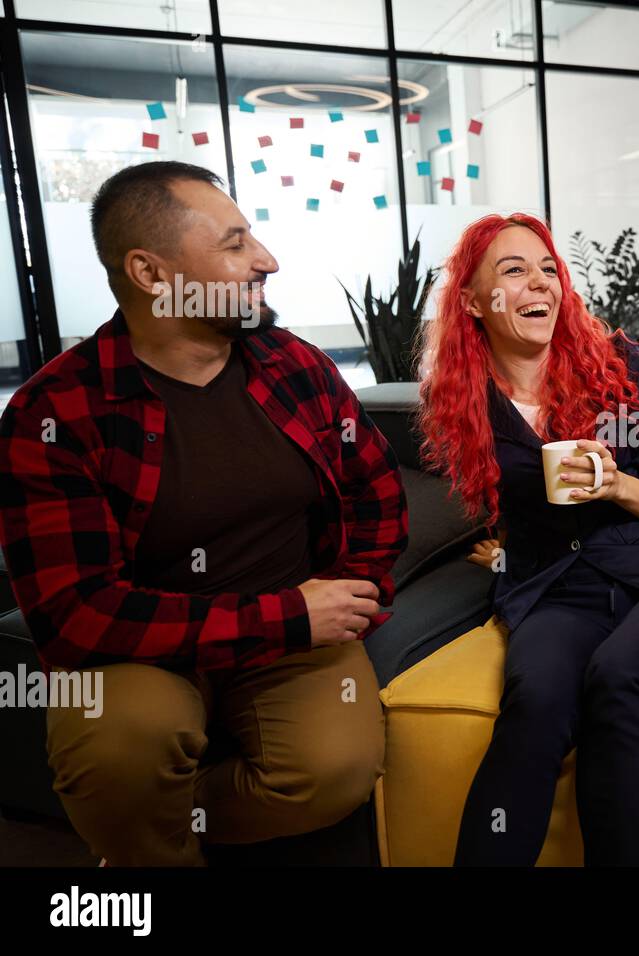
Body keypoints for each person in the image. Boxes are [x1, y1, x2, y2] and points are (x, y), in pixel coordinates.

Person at [0, 161, 407, 866]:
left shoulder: (294, 364)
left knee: (333, 771)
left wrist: (353, 591)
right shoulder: (53, 413)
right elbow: (76, 615)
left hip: (295, 637)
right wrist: (284, 614)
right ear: (151, 274)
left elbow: (375, 486)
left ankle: (151, 832)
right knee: (121, 755)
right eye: (234, 243)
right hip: (142, 650)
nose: (266, 260)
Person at [419, 212, 639, 867]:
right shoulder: (463, 400)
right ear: (473, 301)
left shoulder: (615, 366)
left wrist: (616, 486)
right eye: (514, 269)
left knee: (620, 678)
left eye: (549, 268)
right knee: (535, 701)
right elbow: (495, 509)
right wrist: (504, 552)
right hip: (555, 593)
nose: (541, 283)